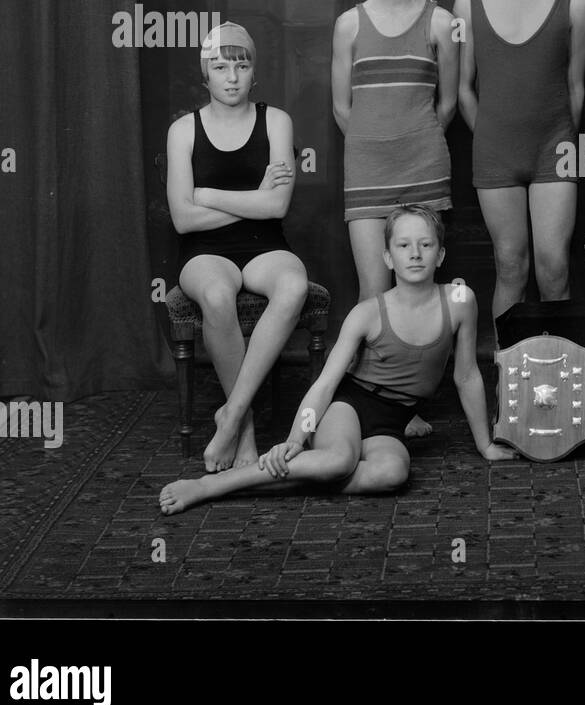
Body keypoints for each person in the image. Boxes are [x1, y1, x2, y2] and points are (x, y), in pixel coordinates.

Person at [159, 205, 516, 514]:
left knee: (392, 473)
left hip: (393, 421)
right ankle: (212, 486)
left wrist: (485, 444)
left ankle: (303, 476)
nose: (415, 254)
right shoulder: (367, 314)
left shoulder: (460, 300)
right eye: (404, 245)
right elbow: (325, 384)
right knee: (338, 460)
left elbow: (466, 376)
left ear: (440, 255)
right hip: (347, 406)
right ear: (388, 257)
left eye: (426, 245)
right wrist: (296, 439)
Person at [332, 0, 458, 439]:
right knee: (374, 290)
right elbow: (342, 108)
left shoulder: (441, 22)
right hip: (366, 170)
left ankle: (410, 404)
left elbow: (447, 103)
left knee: (418, 287)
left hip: (424, 165)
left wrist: (414, 139)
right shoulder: (349, 24)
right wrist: (375, 143)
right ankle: (371, 403)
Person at [166, 22, 310, 473]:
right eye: (220, 67)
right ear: (205, 75)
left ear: (254, 73)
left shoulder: (277, 121)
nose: (232, 77)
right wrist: (254, 199)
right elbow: (183, 219)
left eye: (242, 66)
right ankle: (244, 429)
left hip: (265, 244)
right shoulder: (183, 131)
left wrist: (207, 195)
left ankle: (228, 417)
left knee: (294, 286)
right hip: (203, 250)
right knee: (215, 294)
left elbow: (277, 206)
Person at [455, 0, 585, 323]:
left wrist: (558, 142)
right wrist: (492, 135)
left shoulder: (576, 3)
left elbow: (575, 88)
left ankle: (562, 366)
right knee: (510, 265)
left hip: (555, 152)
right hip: (495, 152)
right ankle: (507, 369)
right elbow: (463, 89)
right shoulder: (467, 3)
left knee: (554, 268)